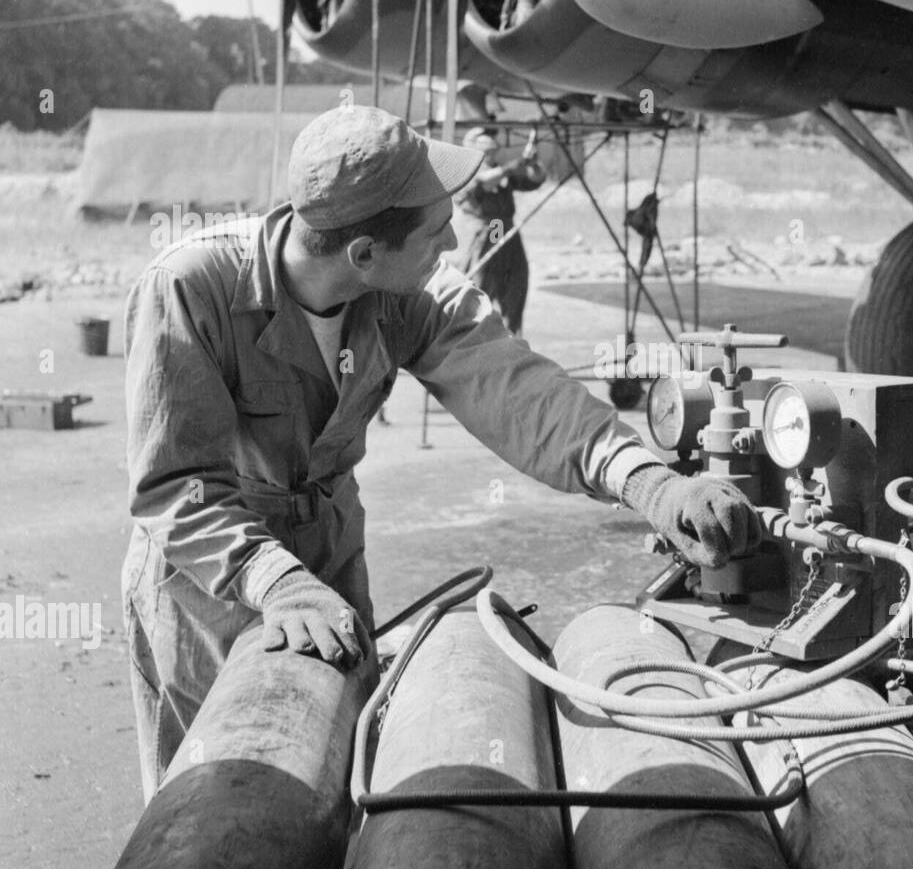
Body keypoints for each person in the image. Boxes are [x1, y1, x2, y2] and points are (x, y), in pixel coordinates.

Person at [121, 105, 758, 799]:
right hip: (206, 575)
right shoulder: (191, 287)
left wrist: (650, 484)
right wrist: (275, 580)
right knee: (206, 801)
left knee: (333, 765)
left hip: (326, 550)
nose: (453, 239)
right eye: (433, 229)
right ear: (363, 255)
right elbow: (177, 484)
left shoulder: (407, 293)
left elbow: (517, 390)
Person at [448, 125, 543, 334]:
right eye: (485, 137)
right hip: (487, 230)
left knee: (516, 283)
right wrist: (516, 164)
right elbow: (484, 182)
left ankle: (512, 335)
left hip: (504, 229)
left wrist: (532, 164)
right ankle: (471, 335)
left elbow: (532, 180)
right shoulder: (468, 169)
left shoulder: (498, 169)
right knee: (480, 283)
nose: (491, 141)